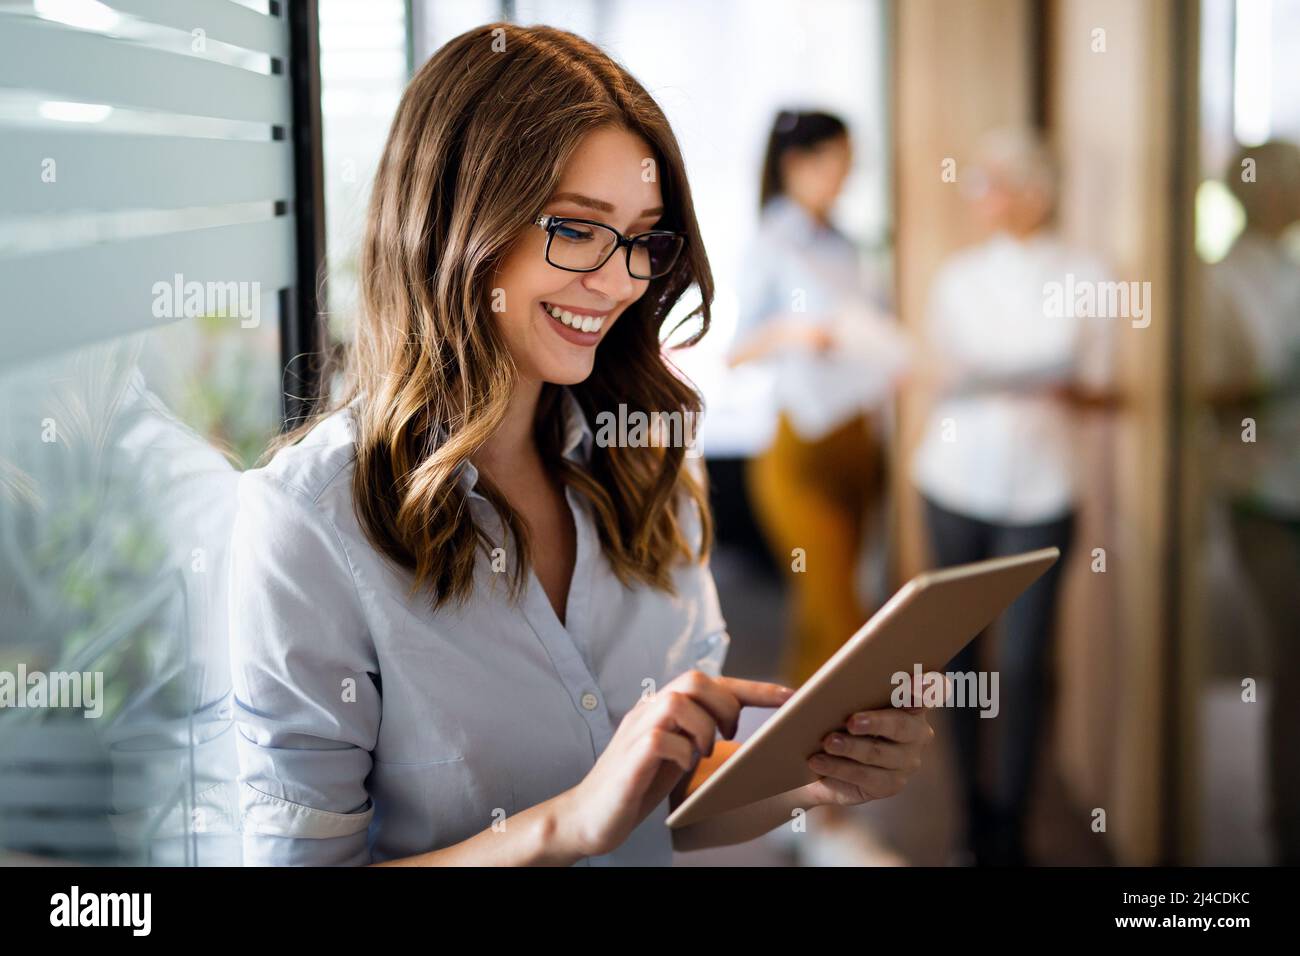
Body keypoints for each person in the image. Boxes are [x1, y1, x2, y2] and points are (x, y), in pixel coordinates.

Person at [228, 24, 935, 867]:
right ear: (454, 222)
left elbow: (680, 786)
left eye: (642, 237)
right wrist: (567, 825)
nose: (619, 280)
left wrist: (809, 780)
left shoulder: (643, 461)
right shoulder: (307, 525)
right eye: (576, 227)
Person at [910, 128, 1119, 866]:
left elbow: (1102, 388)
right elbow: (943, 372)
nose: (980, 197)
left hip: (1043, 490)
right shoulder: (958, 279)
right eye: (976, 183)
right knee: (960, 661)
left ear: (1037, 192)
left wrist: (1068, 387)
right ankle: (969, 818)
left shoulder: (1088, 273)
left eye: (992, 181)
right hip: (954, 483)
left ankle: (1014, 827)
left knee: (1026, 666)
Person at [727, 109, 907, 690]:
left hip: (858, 439)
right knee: (841, 615)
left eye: (852, 166)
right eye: (838, 163)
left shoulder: (848, 244)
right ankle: (848, 749)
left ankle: (798, 750)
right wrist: (797, 332)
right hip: (800, 443)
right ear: (797, 165)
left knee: (817, 614)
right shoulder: (771, 243)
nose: (847, 177)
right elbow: (734, 351)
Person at [1203, 139, 1300, 865]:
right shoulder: (1221, 280)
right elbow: (1212, 389)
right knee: (1291, 668)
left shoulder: (1288, 268)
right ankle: (1284, 825)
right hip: (1266, 497)